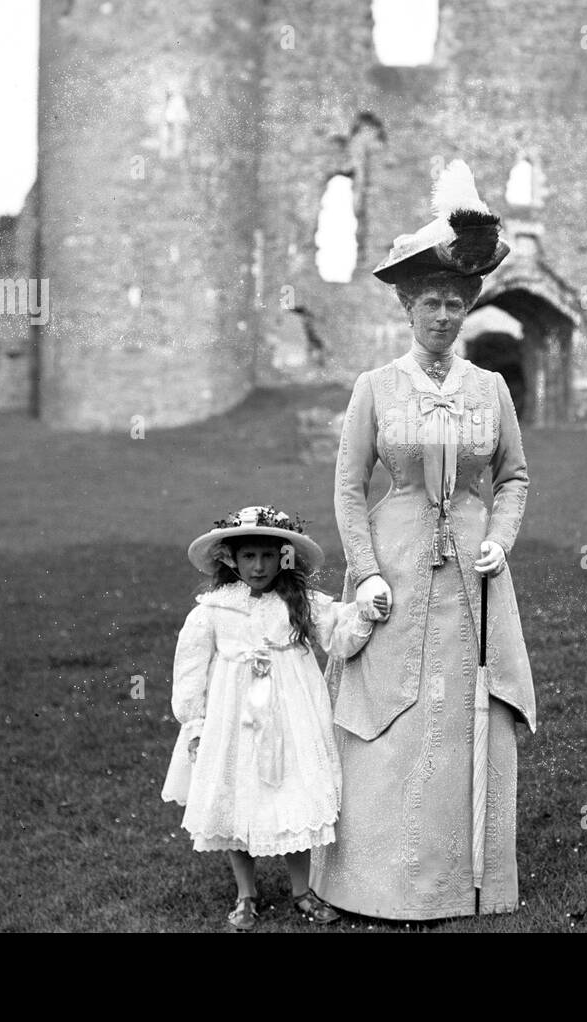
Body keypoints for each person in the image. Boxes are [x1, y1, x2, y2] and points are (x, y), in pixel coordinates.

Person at [310, 160, 537, 920]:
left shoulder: (488, 390)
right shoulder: (375, 388)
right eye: (430, 302)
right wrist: (365, 572)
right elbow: (349, 487)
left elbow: (512, 478)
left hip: (473, 570)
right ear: (407, 308)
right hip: (396, 563)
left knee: (467, 711)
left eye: (454, 303)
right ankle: (368, 884)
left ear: (468, 309)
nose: (442, 315)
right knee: (387, 710)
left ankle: (461, 880)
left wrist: (501, 538)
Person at [161, 504, 388, 931]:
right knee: (235, 794)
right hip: (234, 720)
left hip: (291, 715)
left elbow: (340, 637)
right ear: (231, 558)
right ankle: (246, 894)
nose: (259, 566)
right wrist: (194, 724)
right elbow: (190, 673)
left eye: (269, 555)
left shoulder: (300, 601)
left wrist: (366, 611)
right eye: (249, 556)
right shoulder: (211, 611)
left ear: (284, 556)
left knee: (293, 794)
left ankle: (302, 890)